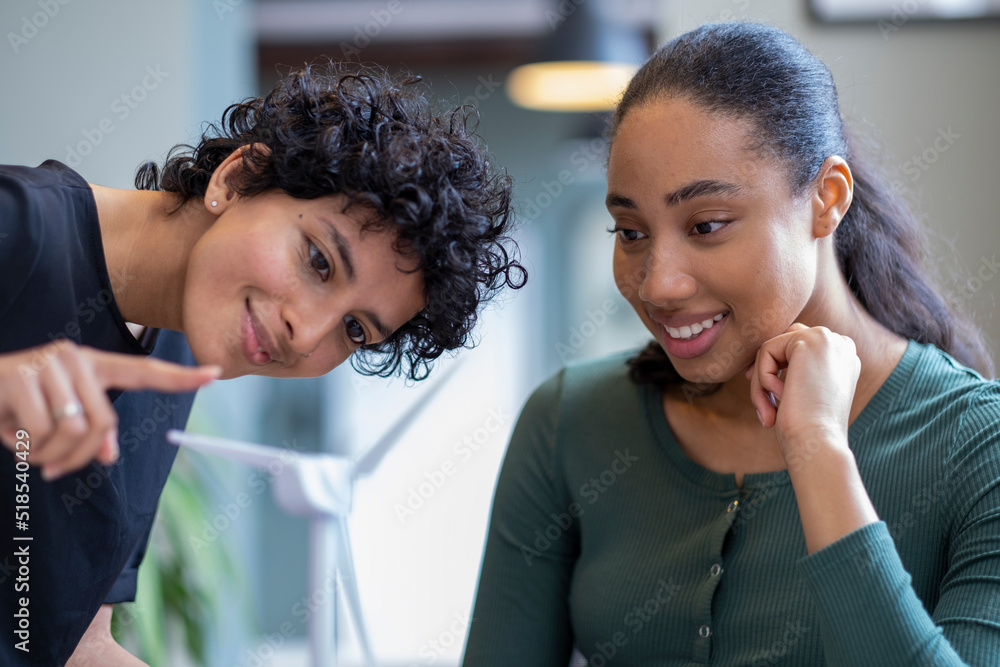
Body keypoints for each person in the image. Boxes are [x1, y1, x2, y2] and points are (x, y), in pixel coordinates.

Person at [463, 22, 1000, 666]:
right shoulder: (567, 425)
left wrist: (818, 450)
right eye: (630, 231)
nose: (659, 284)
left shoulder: (977, 449)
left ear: (825, 200)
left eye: (707, 224)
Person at [0, 62, 525, 666]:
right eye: (320, 262)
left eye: (355, 330)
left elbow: (75, 644)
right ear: (238, 177)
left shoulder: (178, 350)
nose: (308, 332)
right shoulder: (20, 228)